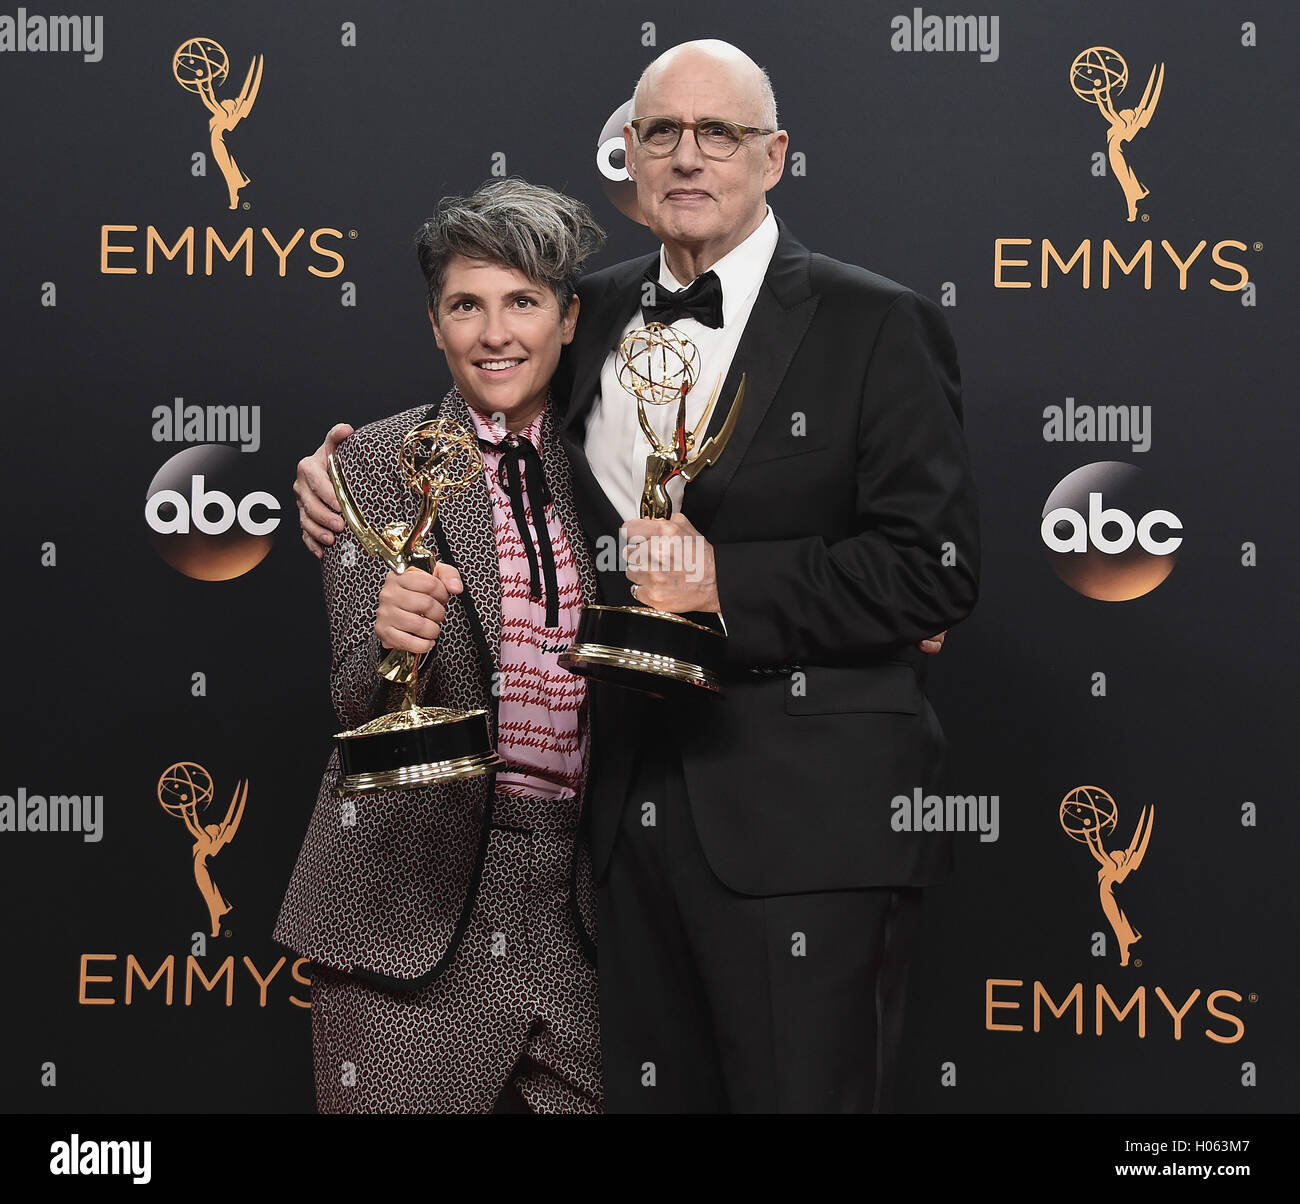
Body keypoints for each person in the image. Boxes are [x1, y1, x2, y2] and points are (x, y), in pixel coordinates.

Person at [296, 39, 979, 1113]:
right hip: (622, 838)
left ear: (775, 157)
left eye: (720, 133)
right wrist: (342, 478)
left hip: (803, 829)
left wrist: (724, 586)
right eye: (659, 132)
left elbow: (933, 570)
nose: (688, 156)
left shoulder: (875, 323)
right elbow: (477, 419)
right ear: (629, 156)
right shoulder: (591, 312)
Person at [274, 179, 607, 1113]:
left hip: (585, 907)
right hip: (405, 899)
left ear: (569, 317)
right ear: (435, 326)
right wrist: (391, 645)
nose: (495, 333)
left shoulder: (617, 467)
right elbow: (355, 704)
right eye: (467, 305)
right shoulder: (373, 463)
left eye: (523, 302)